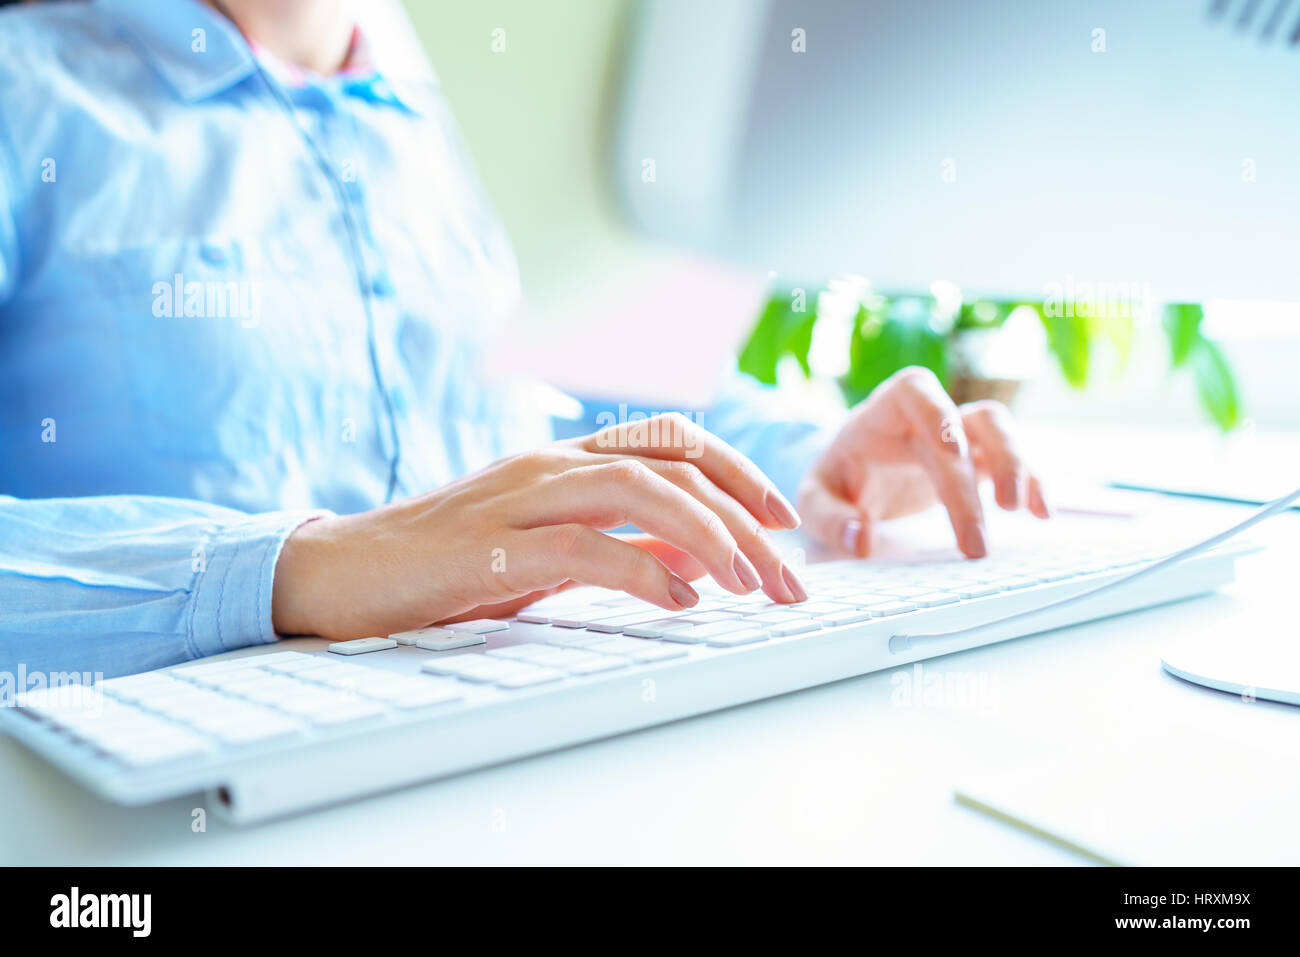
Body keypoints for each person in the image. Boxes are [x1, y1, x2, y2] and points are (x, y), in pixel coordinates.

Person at [0, 0, 1049, 679]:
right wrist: (304, 569)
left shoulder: (474, 106)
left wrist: (808, 458)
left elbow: (597, 386)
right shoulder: (24, 91)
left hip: (504, 716)